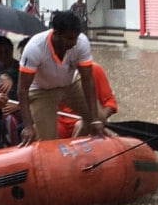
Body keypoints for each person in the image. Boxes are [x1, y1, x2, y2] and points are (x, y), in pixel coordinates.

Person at [16, 10, 104, 144]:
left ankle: (76, 145)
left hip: (71, 85)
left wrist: (95, 119)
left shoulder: (81, 42)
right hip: (42, 91)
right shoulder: (34, 48)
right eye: (69, 38)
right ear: (56, 34)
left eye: (76, 38)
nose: (74, 43)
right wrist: (28, 126)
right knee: (48, 141)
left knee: (99, 118)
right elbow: (22, 89)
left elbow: (87, 79)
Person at [57, 62, 116, 138]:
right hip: (61, 123)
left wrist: (99, 120)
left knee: (81, 125)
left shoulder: (95, 69)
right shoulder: (55, 70)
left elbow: (110, 103)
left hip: (85, 122)